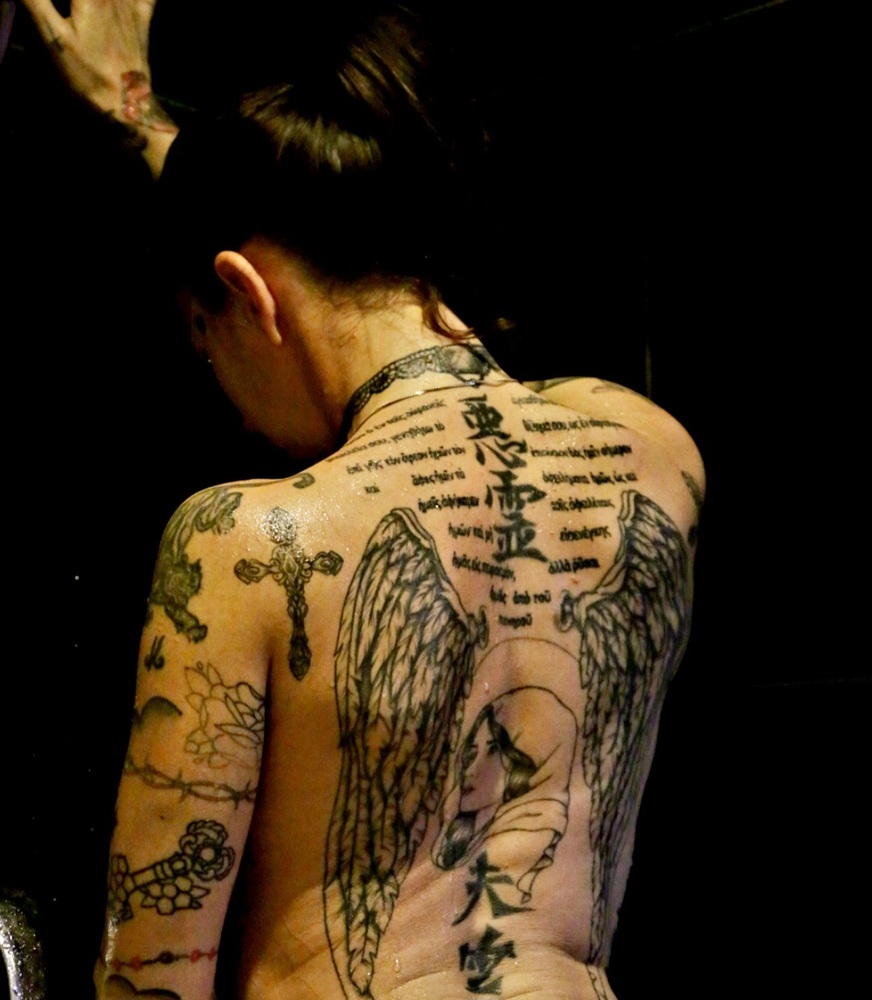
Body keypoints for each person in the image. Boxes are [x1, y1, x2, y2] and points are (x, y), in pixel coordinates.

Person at [21, 2, 705, 998]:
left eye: (206, 343)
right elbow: (328, 253)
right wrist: (150, 128)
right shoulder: (652, 457)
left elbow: (151, 980)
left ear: (244, 294)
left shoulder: (243, 547)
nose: (234, 407)